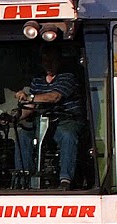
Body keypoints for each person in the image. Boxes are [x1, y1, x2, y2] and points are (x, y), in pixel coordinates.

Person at [14, 46, 87, 189]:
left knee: (68, 135)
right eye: (45, 61)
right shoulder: (37, 80)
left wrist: (30, 97)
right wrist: (15, 117)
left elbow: (55, 97)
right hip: (42, 120)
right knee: (23, 135)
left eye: (51, 60)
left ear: (59, 61)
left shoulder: (68, 77)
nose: (48, 64)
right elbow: (31, 107)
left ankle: (65, 180)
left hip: (66, 119)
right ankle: (24, 177)